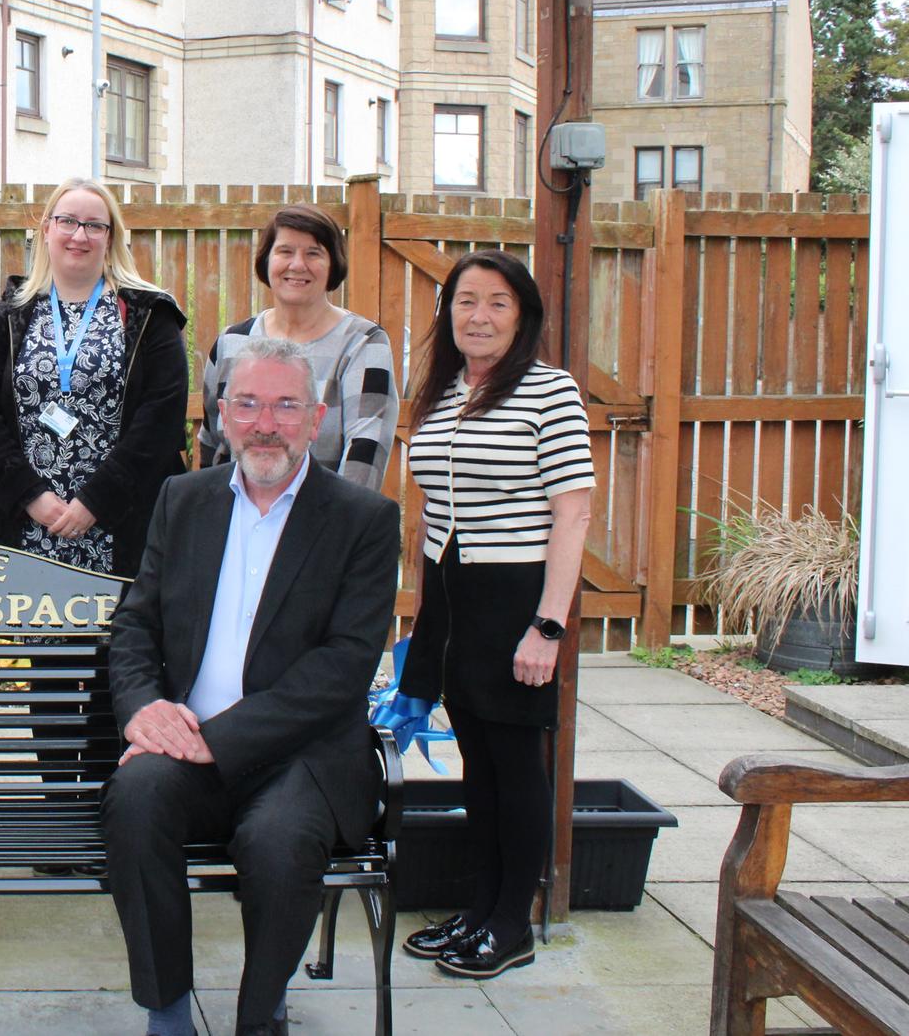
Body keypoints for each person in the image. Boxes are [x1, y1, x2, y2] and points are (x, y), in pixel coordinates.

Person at [103, 339, 401, 1036]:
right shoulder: (183, 499)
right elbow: (136, 623)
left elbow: (344, 666)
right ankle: (167, 1012)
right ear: (222, 415)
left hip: (301, 757)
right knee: (135, 800)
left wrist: (220, 739)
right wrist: (143, 709)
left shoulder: (362, 519)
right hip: (185, 744)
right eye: (248, 404)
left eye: (286, 405)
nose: (266, 424)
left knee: (277, 842)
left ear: (316, 418)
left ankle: (259, 1015)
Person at [394, 249, 594, 980]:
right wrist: (427, 614)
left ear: (522, 316)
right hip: (453, 595)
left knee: (515, 765)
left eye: (498, 302)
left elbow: (573, 513)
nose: (479, 316)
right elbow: (434, 507)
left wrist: (548, 626)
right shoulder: (445, 392)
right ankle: (479, 908)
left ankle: (513, 923)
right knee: (475, 761)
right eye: (466, 300)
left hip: (517, 598)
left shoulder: (549, 391)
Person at [0, 177, 187, 578]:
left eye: (94, 225)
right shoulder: (11, 313)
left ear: (110, 237)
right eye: (67, 221)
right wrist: (29, 495)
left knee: (122, 620)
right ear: (47, 229)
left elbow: (161, 416)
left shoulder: (151, 314)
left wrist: (96, 501)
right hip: (28, 524)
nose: (79, 235)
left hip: (122, 524)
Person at [198, 204, 397, 491]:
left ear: (333, 264)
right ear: (267, 260)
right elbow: (212, 446)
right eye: (285, 251)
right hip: (238, 513)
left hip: (326, 514)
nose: (298, 264)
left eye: (313, 253)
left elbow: (365, 454)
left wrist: (337, 518)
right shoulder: (232, 343)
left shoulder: (362, 343)